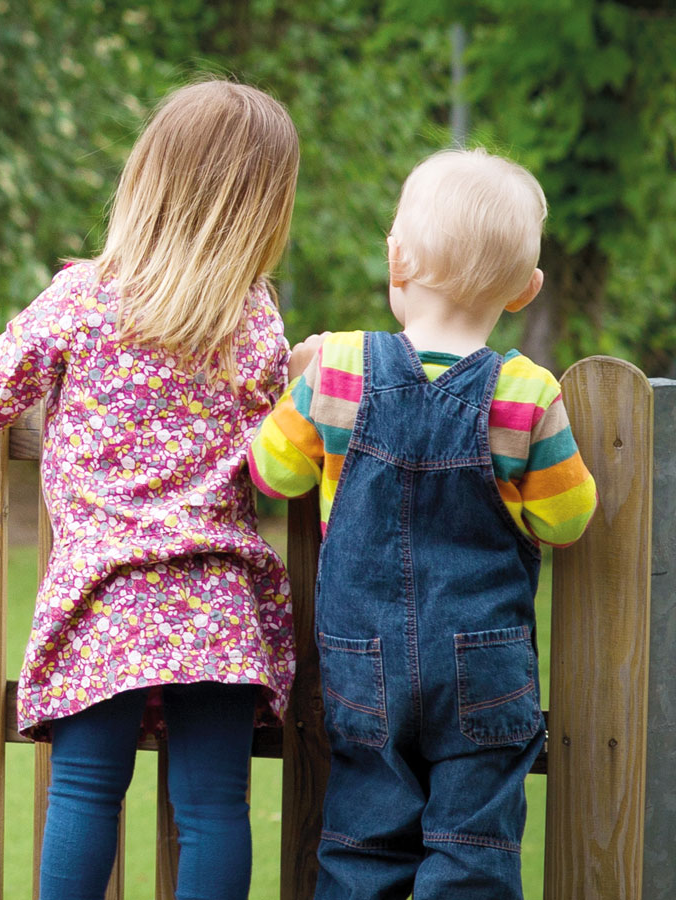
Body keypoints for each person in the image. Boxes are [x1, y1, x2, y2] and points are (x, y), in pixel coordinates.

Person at [0, 80, 301, 900]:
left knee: (84, 794)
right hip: (215, 601)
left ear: (147, 178)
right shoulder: (254, 319)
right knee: (216, 808)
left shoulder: (85, 297)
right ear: (262, 210)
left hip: (102, 598)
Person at [254, 149, 589, 900]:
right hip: (485, 665)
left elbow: (275, 472)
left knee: (363, 848)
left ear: (395, 258)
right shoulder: (525, 394)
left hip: (361, 661)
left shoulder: (338, 369)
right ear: (525, 290)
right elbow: (567, 520)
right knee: (473, 852)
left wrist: (296, 386)